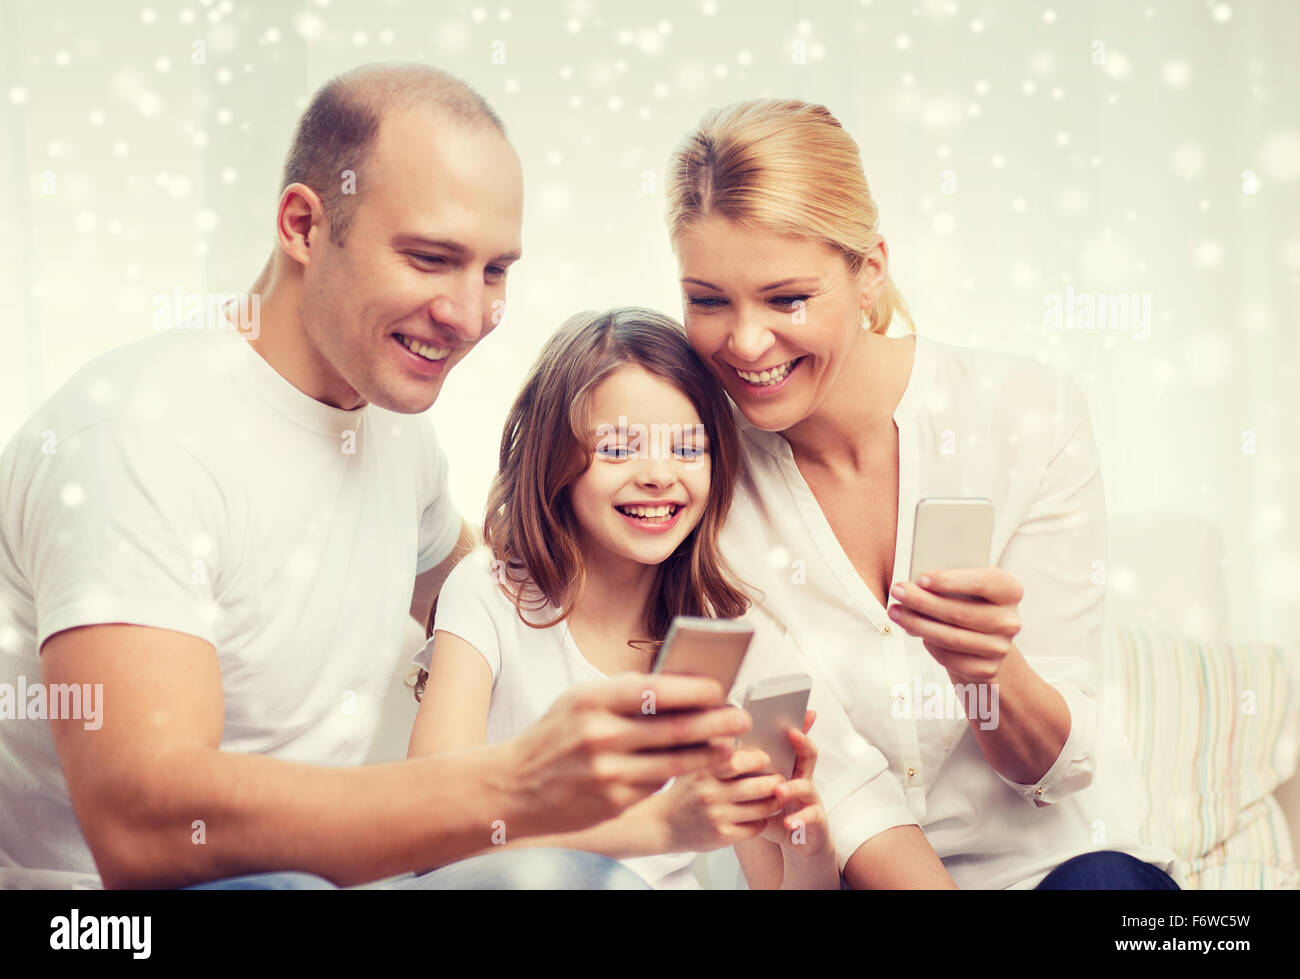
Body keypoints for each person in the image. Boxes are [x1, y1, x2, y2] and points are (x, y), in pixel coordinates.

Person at [0, 64, 748, 891]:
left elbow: (501, 589)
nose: (469, 315)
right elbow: (148, 830)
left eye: (495, 270)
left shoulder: (396, 440)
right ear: (302, 225)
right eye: (431, 258)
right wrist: (516, 785)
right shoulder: (133, 438)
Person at [662, 97, 1184, 890]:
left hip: (1058, 866)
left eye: (786, 298)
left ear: (870, 269)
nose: (745, 342)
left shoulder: (1027, 413)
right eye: (708, 300)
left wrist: (986, 672)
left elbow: (1056, 766)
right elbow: (830, 779)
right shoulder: (698, 484)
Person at [408, 308, 870, 889]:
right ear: (556, 460)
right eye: (620, 449)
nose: (657, 475)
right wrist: (654, 826)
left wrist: (807, 848)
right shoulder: (490, 593)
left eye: (685, 448)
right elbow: (428, 832)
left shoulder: (725, 636)